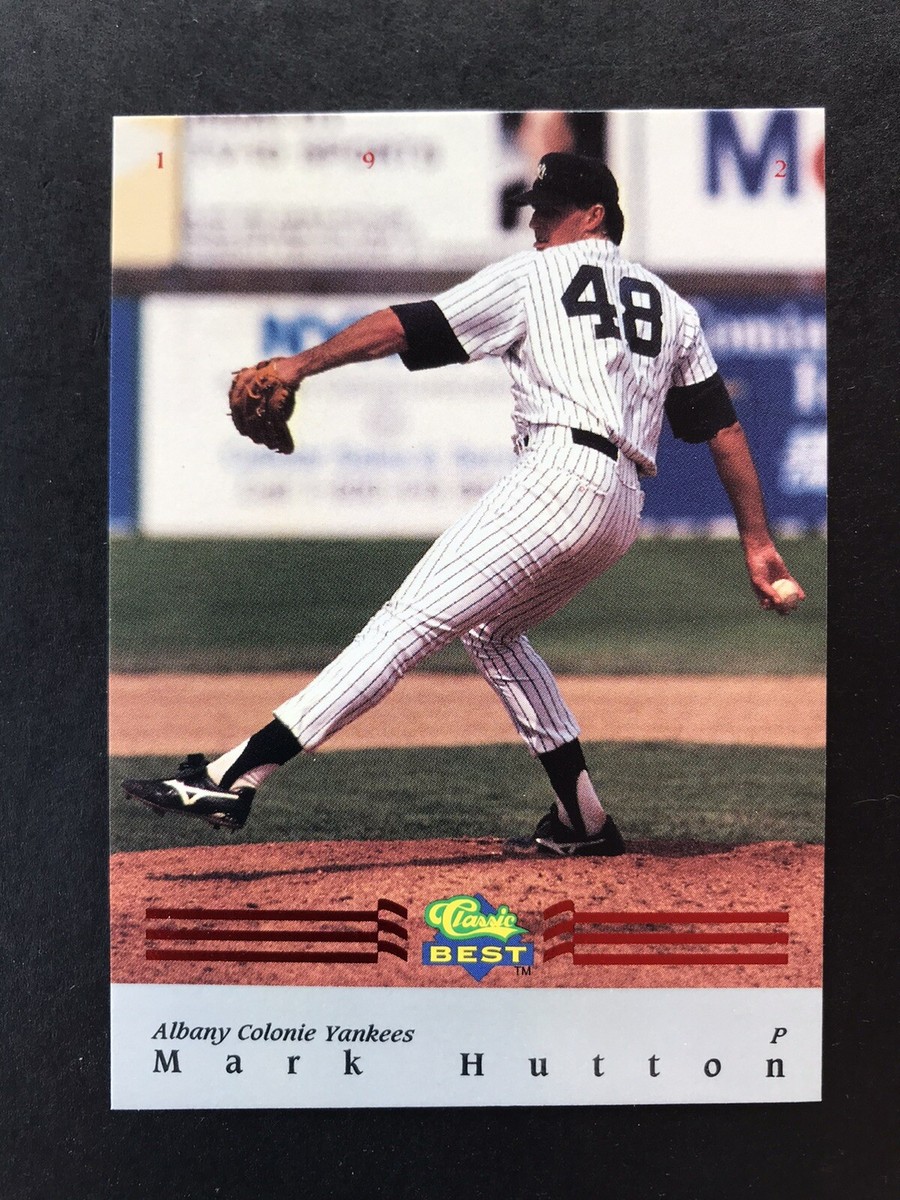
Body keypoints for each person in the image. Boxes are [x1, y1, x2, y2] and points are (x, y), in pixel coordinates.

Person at [123, 152, 805, 858]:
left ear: (594, 216)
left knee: (404, 625)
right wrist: (757, 542)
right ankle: (583, 820)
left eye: (550, 211)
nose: (536, 224)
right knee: (491, 634)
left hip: (560, 476)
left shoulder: (538, 274)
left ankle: (234, 776)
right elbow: (721, 428)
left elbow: (402, 325)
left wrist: (298, 364)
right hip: (619, 508)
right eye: (535, 210)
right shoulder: (673, 309)